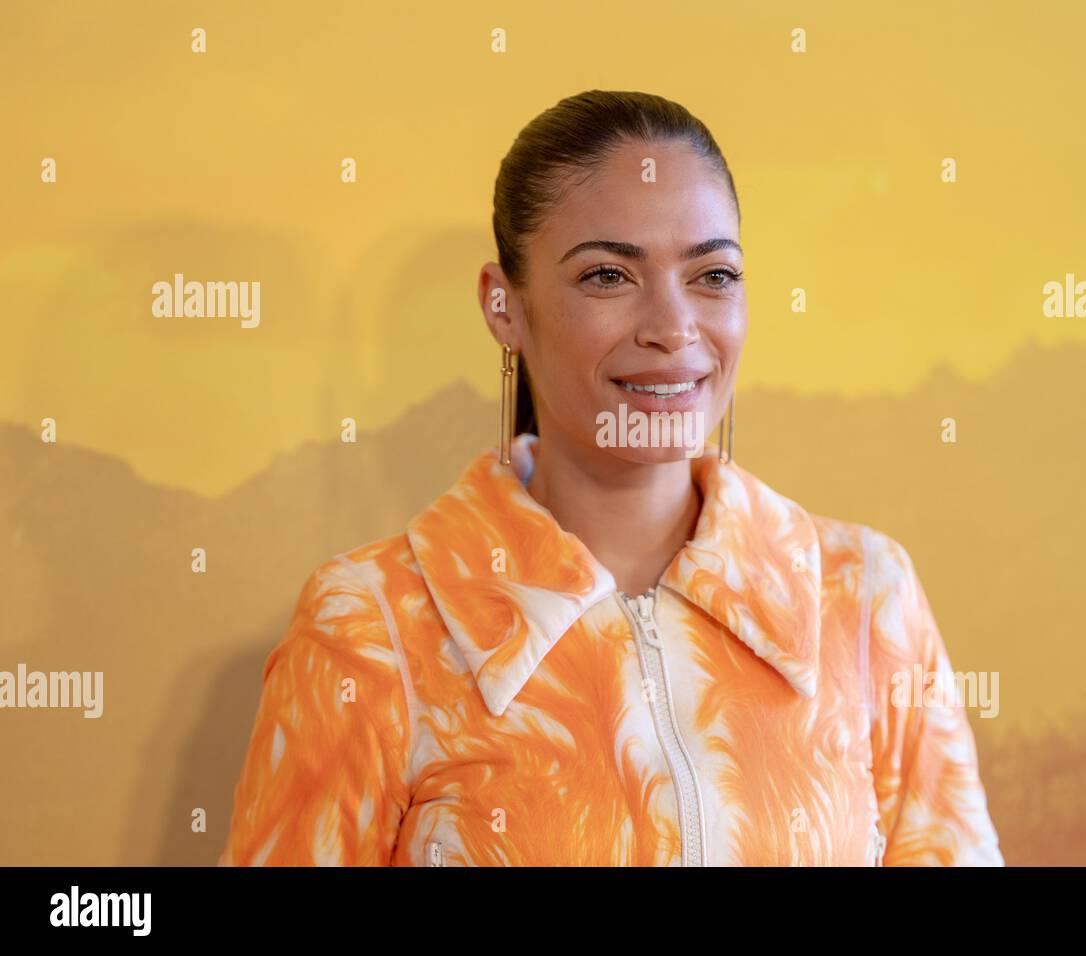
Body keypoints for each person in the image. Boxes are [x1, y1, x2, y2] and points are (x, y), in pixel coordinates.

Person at [219, 89, 1003, 867]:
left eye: (713, 276)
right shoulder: (370, 626)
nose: (672, 329)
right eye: (607, 277)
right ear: (504, 307)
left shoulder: (865, 598)